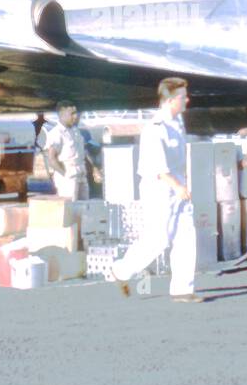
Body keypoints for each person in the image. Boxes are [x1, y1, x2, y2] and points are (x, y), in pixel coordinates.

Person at [110, 77, 201, 303]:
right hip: (159, 188)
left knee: (186, 235)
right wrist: (178, 187)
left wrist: (181, 185)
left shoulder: (177, 123)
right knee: (158, 239)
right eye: (182, 97)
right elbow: (158, 168)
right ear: (170, 100)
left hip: (177, 184)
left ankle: (182, 289)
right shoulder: (155, 128)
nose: (186, 100)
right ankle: (121, 270)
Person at [43, 101, 89, 201]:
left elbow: (82, 152)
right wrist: (65, 175)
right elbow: (52, 159)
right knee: (70, 209)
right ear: (62, 115)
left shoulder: (75, 131)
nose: (75, 116)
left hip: (81, 174)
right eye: (72, 114)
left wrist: (94, 168)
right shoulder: (57, 133)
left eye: (76, 113)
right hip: (68, 177)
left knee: (85, 208)